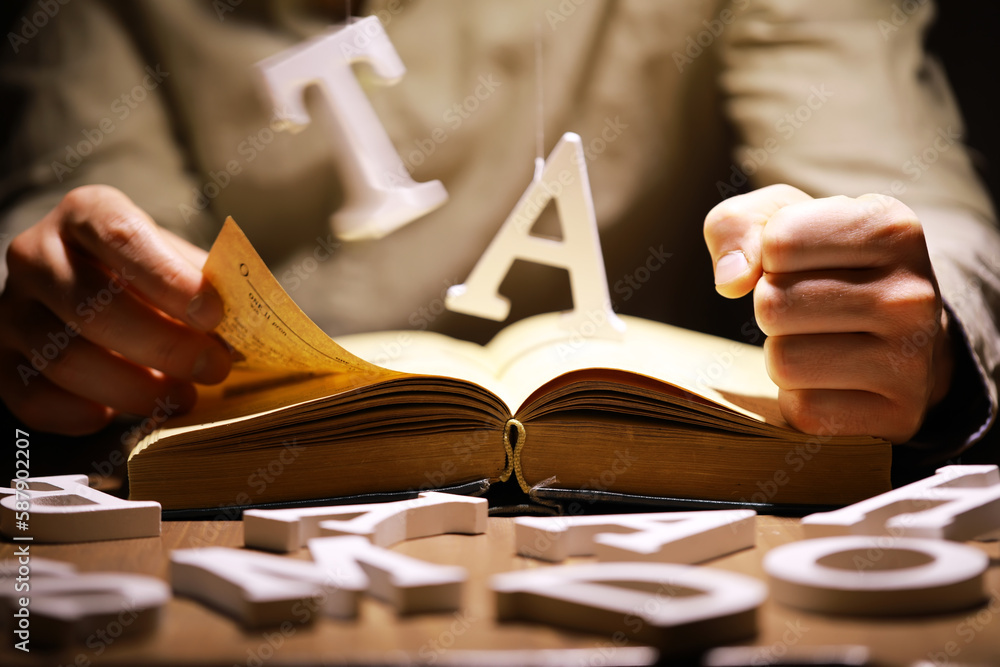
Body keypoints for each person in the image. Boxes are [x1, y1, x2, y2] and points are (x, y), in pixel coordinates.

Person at [0, 0, 997, 466]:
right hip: (228, 494)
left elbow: (903, 189)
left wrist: (918, 320)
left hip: (621, 488)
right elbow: (70, 202)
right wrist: (53, 309)